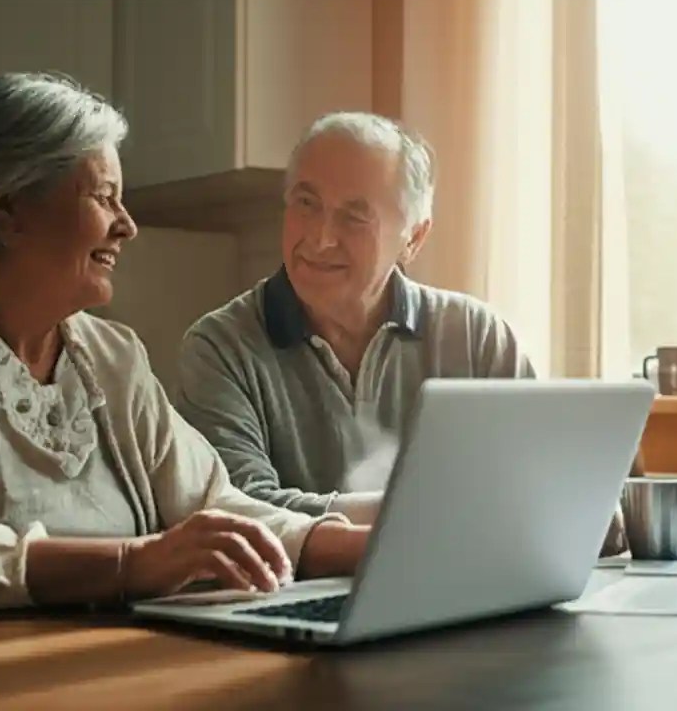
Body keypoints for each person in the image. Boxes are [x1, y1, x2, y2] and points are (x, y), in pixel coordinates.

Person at [0, 73, 368, 631]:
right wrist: (129, 564)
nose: (127, 226)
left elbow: (213, 510)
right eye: (105, 196)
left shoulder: (112, 357)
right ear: (5, 210)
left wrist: (375, 547)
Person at [177, 112, 595, 530]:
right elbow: (240, 507)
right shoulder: (220, 347)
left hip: (460, 585)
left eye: (353, 217)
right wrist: (421, 514)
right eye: (306, 204)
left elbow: (536, 484)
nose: (320, 239)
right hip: (296, 590)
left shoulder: (477, 336)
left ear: (413, 238)